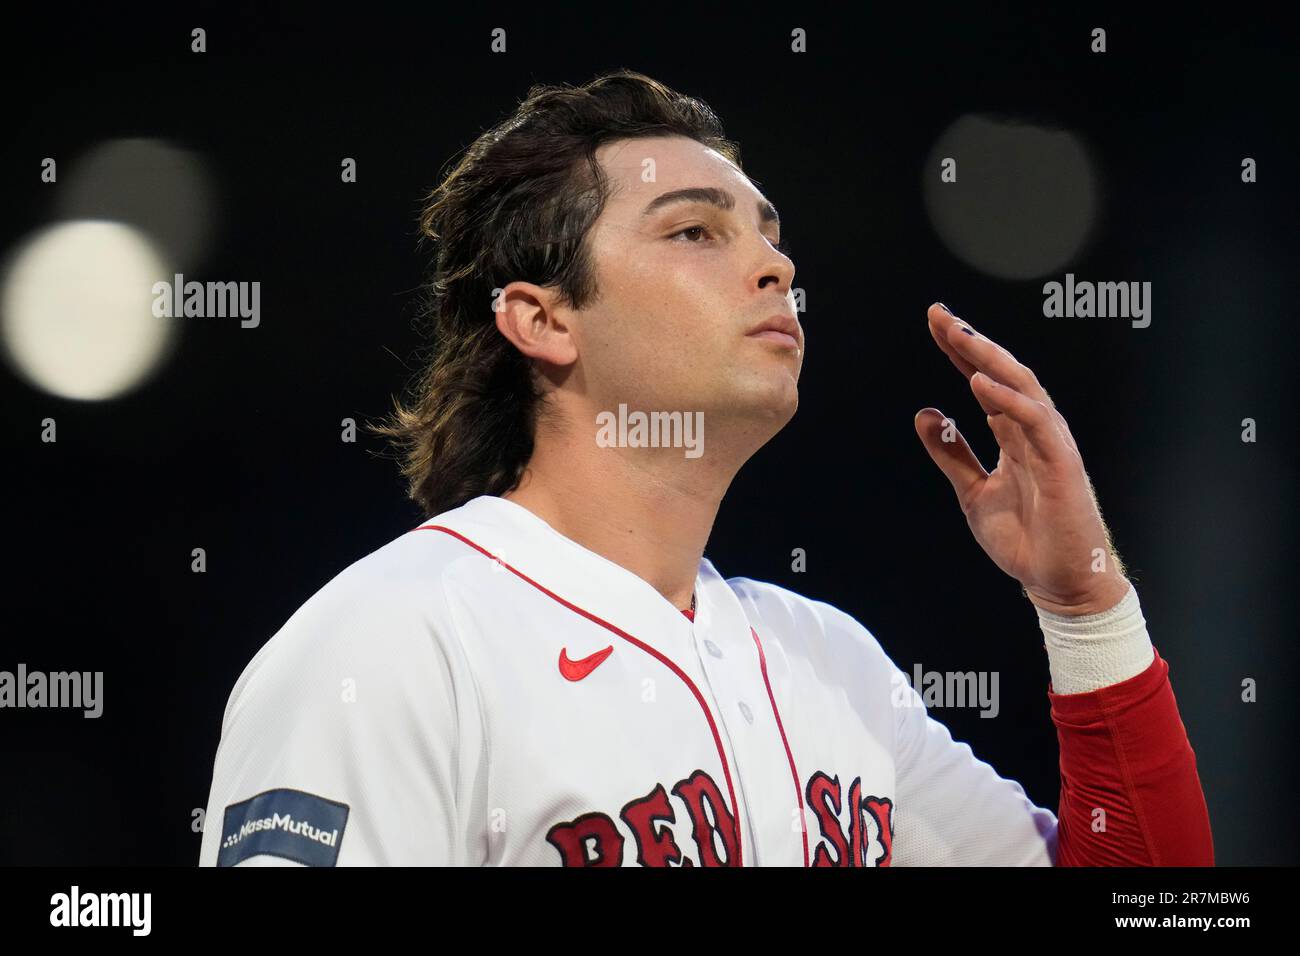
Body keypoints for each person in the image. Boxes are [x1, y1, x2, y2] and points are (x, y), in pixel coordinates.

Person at [199, 69, 1212, 867]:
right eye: (694, 230)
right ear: (543, 319)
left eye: (770, 235)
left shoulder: (832, 663)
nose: (776, 266)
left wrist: (1084, 603)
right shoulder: (394, 642)